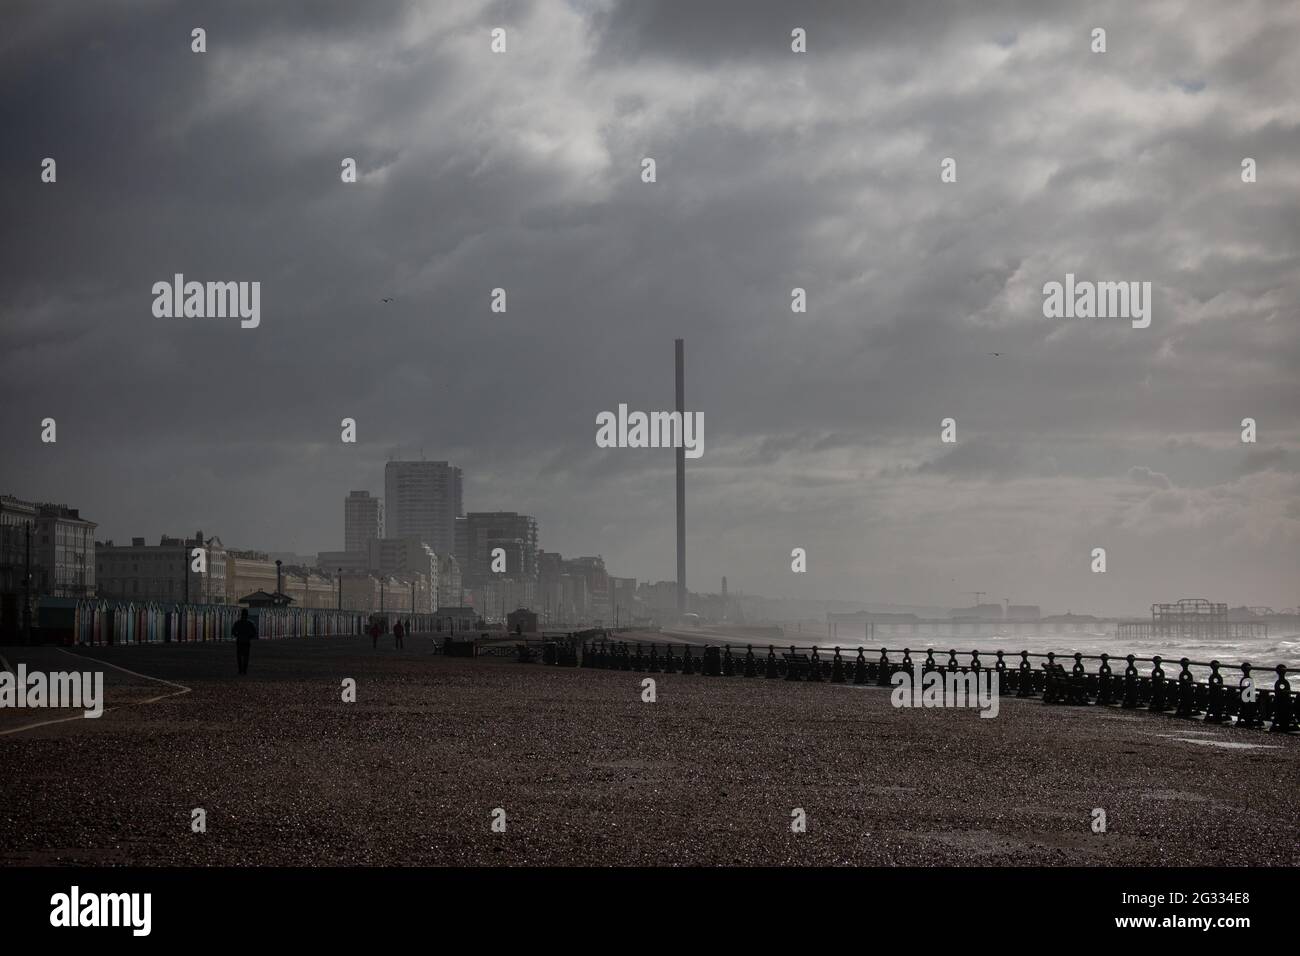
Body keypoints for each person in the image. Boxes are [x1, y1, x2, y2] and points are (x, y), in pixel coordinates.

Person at [232, 609, 257, 675]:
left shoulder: (237, 623)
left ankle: (240, 670)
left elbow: (233, 631)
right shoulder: (250, 623)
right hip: (247, 642)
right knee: (246, 656)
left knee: (239, 656)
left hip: (239, 641)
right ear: (247, 615)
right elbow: (254, 632)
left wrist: (237, 635)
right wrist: (249, 637)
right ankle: (244, 670)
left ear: (241, 614)